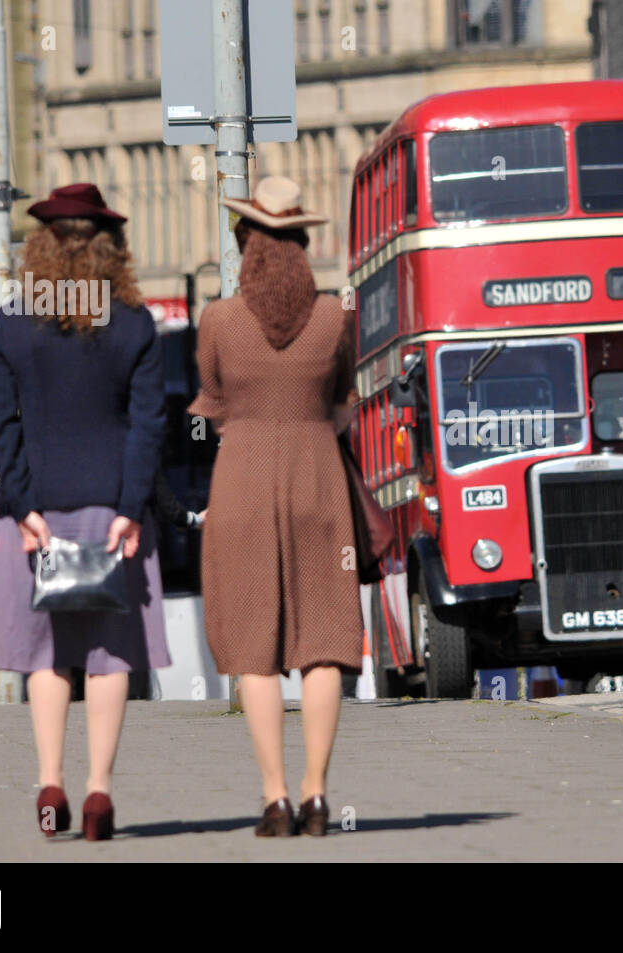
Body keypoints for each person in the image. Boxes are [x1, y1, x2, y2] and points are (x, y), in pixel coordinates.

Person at [0, 182, 169, 841]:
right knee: (110, 658)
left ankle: (51, 779)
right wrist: (131, 507)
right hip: (112, 510)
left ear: (43, 245)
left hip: (34, 514)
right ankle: (97, 794)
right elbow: (150, 424)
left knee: (45, 655)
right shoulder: (136, 325)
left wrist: (23, 504)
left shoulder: (12, 319)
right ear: (109, 247)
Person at [189, 176, 363, 838]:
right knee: (325, 640)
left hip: (241, 486)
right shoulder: (334, 318)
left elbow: (213, 401)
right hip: (320, 483)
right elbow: (343, 403)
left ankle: (276, 798)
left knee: (251, 646)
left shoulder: (218, 321)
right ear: (302, 247)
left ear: (246, 246)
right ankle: (320, 795)